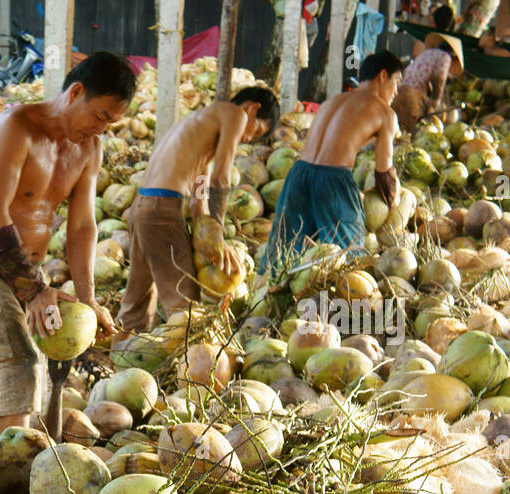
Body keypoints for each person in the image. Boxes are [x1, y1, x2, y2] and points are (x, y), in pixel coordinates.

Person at [0, 52, 134, 443]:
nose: (101, 130)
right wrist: (35, 291)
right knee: (18, 368)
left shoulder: (88, 149)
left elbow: (82, 227)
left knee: (14, 390)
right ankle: (12, 488)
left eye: (110, 123)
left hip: (30, 273)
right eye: (99, 116)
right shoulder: (15, 128)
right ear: (76, 92)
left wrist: (88, 299)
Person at [118, 86, 280, 335]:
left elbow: (198, 200)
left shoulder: (203, 128)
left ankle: (119, 363)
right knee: (186, 307)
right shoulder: (236, 114)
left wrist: (207, 238)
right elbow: (222, 179)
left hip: (143, 208)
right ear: (253, 108)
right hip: (163, 211)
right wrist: (217, 234)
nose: (248, 139)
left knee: (136, 304)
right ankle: (187, 370)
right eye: (256, 131)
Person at [263, 51, 405, 275]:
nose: (396, 92)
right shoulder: (385, 113)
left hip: (298, 174)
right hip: (333, 181)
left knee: (283, 254)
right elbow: (383, 173)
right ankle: (342, 308)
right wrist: (393, 199)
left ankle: (264, 301)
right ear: (383, 76)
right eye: (396, 82)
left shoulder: (333, 101)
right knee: (347, 259)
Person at [394, 33, 465, 130]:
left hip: (399, 90)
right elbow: (439, 80)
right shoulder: (445, 57)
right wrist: (435, 101)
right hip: (411, 96)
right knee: (408, 131)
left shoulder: (429, 53)